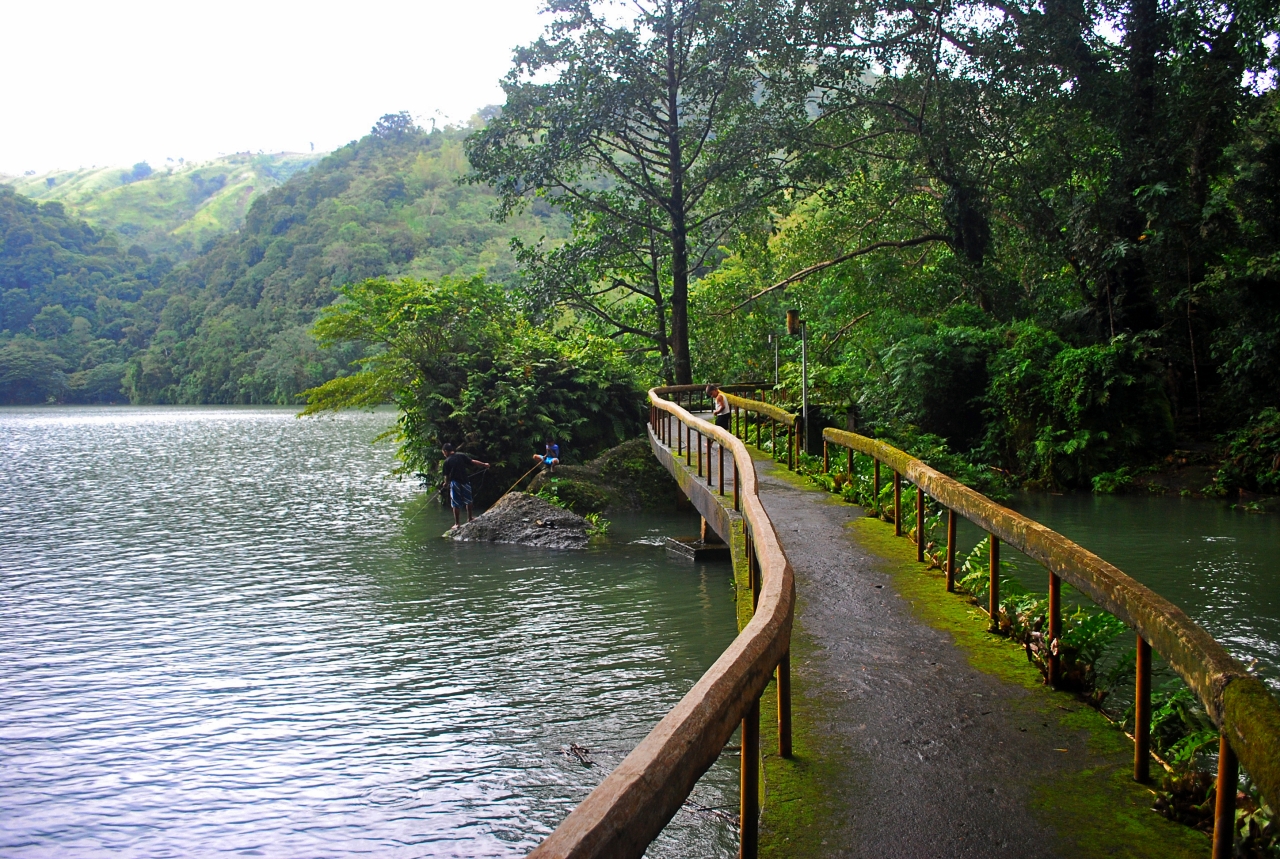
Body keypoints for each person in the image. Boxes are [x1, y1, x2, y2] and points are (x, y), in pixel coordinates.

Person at [441, 443, 489, 528]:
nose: (444, 454)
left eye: (443, 453)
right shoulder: (461, 455)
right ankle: (470, 518)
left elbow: (446, 476)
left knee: (455, 503)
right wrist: (484, 464)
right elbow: (473, 461)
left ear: (445, 451)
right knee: (469, 500)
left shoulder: (447, 461)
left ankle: (457, 524)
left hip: (455, 483)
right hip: (465, 481)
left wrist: (445, 483)